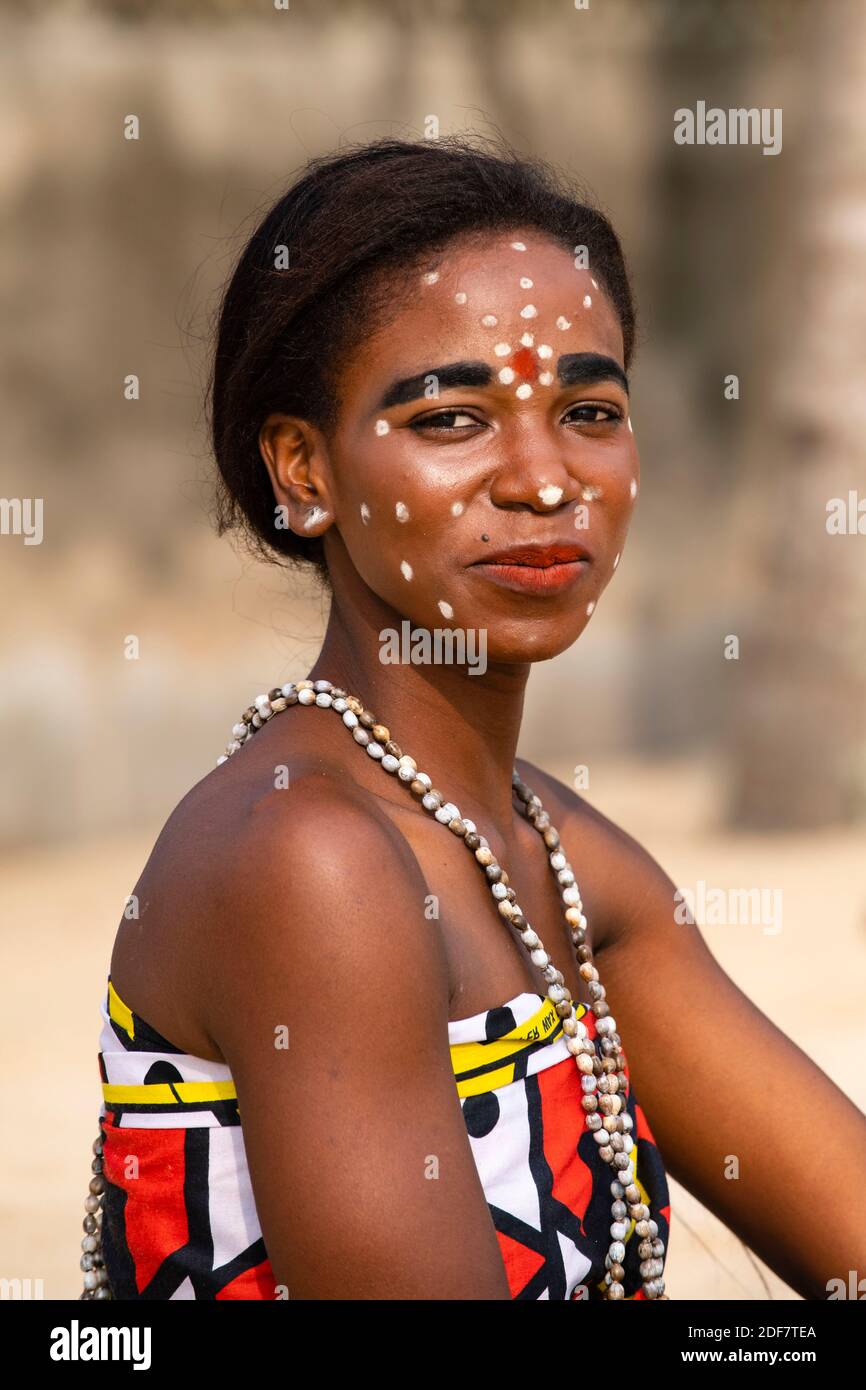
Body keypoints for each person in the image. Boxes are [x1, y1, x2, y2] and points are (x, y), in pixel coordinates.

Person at [80, 136, 866, 1302]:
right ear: (303, 471)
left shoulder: (550, 846)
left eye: (588, 409)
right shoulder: (313, 861)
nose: (545, 480)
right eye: (452, 418)